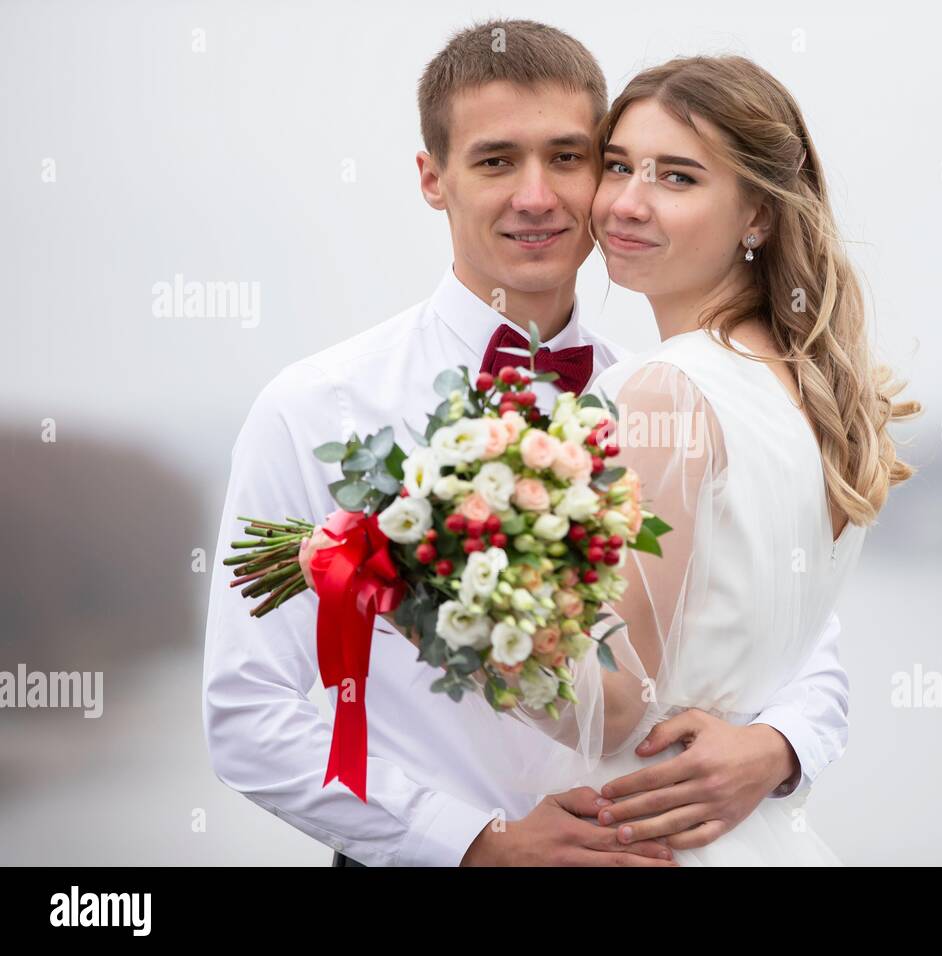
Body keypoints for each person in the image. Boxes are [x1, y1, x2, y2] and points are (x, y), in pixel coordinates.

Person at [204, 19, 856, 867]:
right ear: (432, 179)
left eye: (570, 156)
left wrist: (776, 750)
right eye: (496, 160)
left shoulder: (666, 394)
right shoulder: (316, 407)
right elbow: (249, 714)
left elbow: (796, 636)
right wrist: (471, 842)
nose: (537, 195)